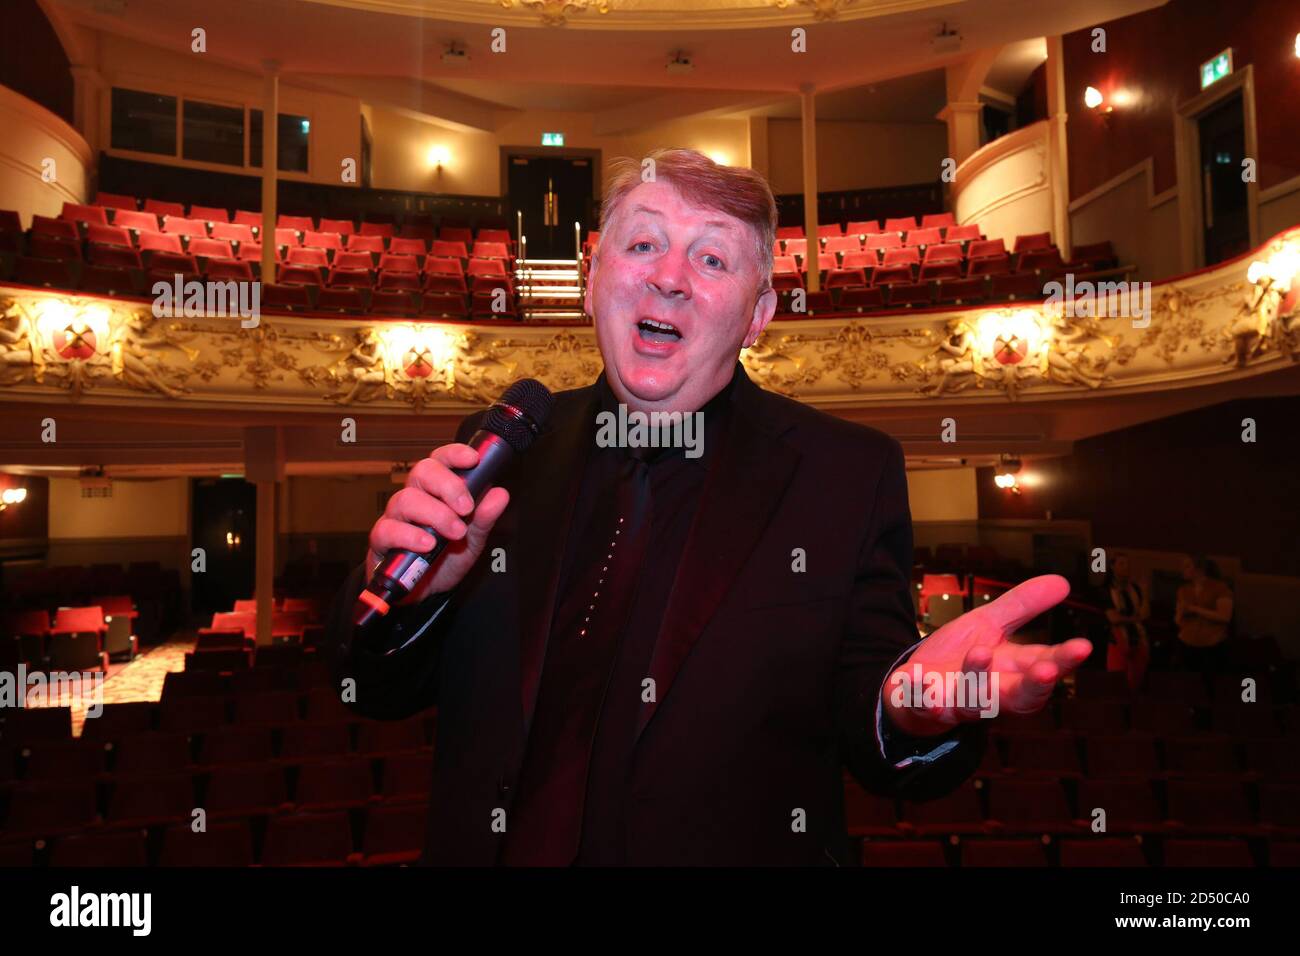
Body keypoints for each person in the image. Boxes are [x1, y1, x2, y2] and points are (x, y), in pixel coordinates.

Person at [324, 148, 1091, 865]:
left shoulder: (845, 472)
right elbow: (375, 690)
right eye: (643, 245)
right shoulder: (505, 450)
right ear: (593, 277)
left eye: (713, 257)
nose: (669, 278)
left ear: (759, 316)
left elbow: (872, 721)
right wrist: (416, 596)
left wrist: (912, 705)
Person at [1174, 554, 1234, 673]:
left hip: (1212, 645)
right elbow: (1177, 620)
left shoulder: (1219, 587)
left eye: (1187, 566)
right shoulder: (1183, 590)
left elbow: (1225, 617)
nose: (1183, 569)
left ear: (1199, 569)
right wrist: (1180, 613)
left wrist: (1195, 609)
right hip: (1187, 643)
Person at [1102, 553, 1149, 690]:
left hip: (1138, 639)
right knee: (1117, 680)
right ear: (1113, 567)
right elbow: (1114, 618)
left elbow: (1146, 614)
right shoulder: (1107, 590)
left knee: (1137, 681)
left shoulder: (1135, 589)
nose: (1126, 567)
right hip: (1118, 640)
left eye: (1127, 564)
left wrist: (1145, 593)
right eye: (1122, 564)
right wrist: (1136, 619)